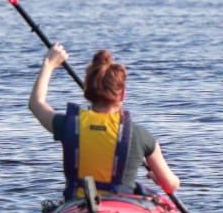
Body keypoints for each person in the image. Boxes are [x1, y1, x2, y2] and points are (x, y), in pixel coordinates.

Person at [29, 42, 180, 199]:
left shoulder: (69, 126)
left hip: (77, 211)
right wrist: (158, 179)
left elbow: (36, 104)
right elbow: (171, 185)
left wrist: (49, 64)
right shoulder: (140, 136)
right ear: (122, 95)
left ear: (87, 93)